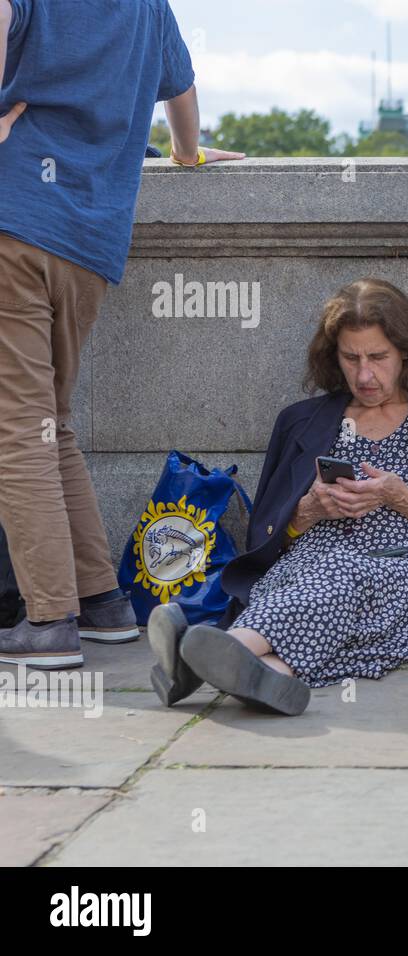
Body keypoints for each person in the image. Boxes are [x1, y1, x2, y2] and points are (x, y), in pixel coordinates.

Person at [147, 278, 408, 715]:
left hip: (407, 567)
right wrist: (306, 511)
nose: (365, 375)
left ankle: (209, 653)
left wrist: (403, 498)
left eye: (378, 357)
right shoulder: (300, 421)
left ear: (406, 354)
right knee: (312, 576)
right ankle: (270, 676)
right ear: (333, 357)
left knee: (342, 571)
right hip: (306, 563)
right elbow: (266, 532)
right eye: (351, 358)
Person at [0, 0, 243, 670]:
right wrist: (188, 155)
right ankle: (103, 604)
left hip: (13, 215)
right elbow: (182, 93)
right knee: (52, 422)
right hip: (89, 241)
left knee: (17, 428)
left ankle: (49, 622)